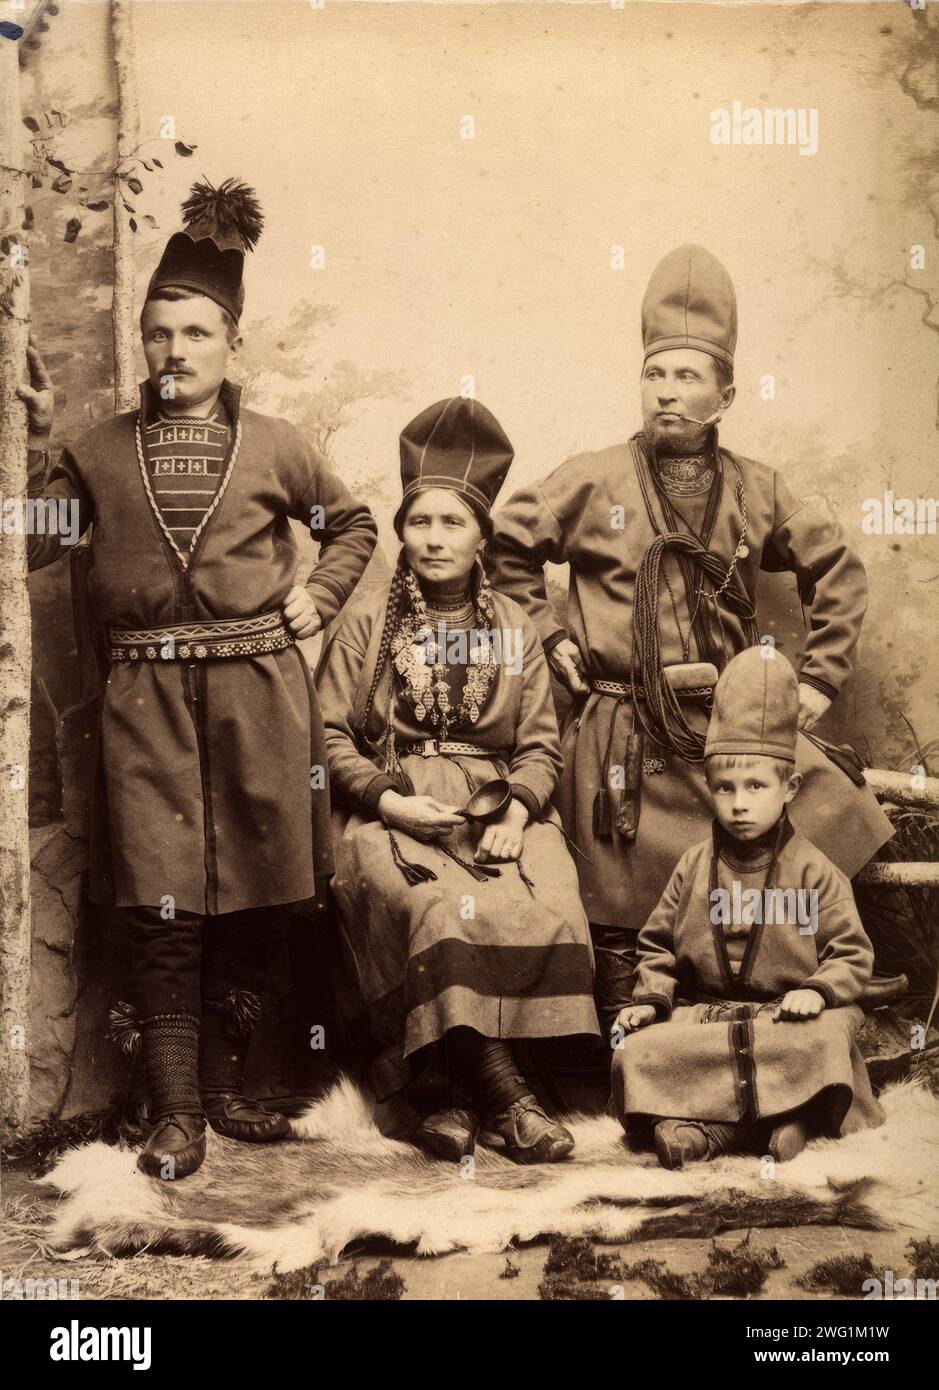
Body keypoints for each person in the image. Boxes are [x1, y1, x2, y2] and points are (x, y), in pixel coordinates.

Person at [20, 179, 377, 1178]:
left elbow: (351, 522)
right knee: (162, 897)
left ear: (233, 346)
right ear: (144, 343)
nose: (176, 352)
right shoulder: (97, 449)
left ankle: (224, 1086)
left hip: (259, 695)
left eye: (197, 333)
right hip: (141, 702)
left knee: (262, 891)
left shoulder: (277, 445)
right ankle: (175, 1110)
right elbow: (39, 550)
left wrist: (321, 593)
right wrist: (42, 445)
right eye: (160, 333)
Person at [486, 244, 893, 1035]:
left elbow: (836, 568)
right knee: (616, 885)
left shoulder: (758, 486)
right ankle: (628, 1028)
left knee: (830, 807)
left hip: (731, 726)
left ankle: (819, 979)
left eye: (687, 377)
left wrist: (816, 679)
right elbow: (506, 545)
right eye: (654, 374)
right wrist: (543, 628)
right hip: (622, 724)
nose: (666, 393)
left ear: (725, 392)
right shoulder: (593, 478)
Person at [316, 397, 599, 1164]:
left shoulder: (513, 626)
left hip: (493, 806)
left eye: (452, 523)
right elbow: (330, 733)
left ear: (482, 537)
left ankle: (451, 1091)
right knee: (433, 905)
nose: (433, 538)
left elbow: (541, 744)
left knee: (549, 896)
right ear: (401, 532)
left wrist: (520, 812)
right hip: (391, 809)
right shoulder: (368, 621)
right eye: (419, 522)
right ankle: (495, 1097)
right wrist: (391, 802)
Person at [610, 645, 884, 1170]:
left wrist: (815, 990)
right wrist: (651, 1001)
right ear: (709, 790)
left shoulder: (815, 871)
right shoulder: (692, 867)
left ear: (790, 788)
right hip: (708, 1019)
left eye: (756, 786)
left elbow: (852, 956)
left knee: (828, 1040)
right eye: (725, 788)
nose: (740, 803)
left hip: (789, 1021)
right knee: (637, 1049)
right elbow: (657, 948)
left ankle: (709, 1130)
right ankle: (774, 1124)